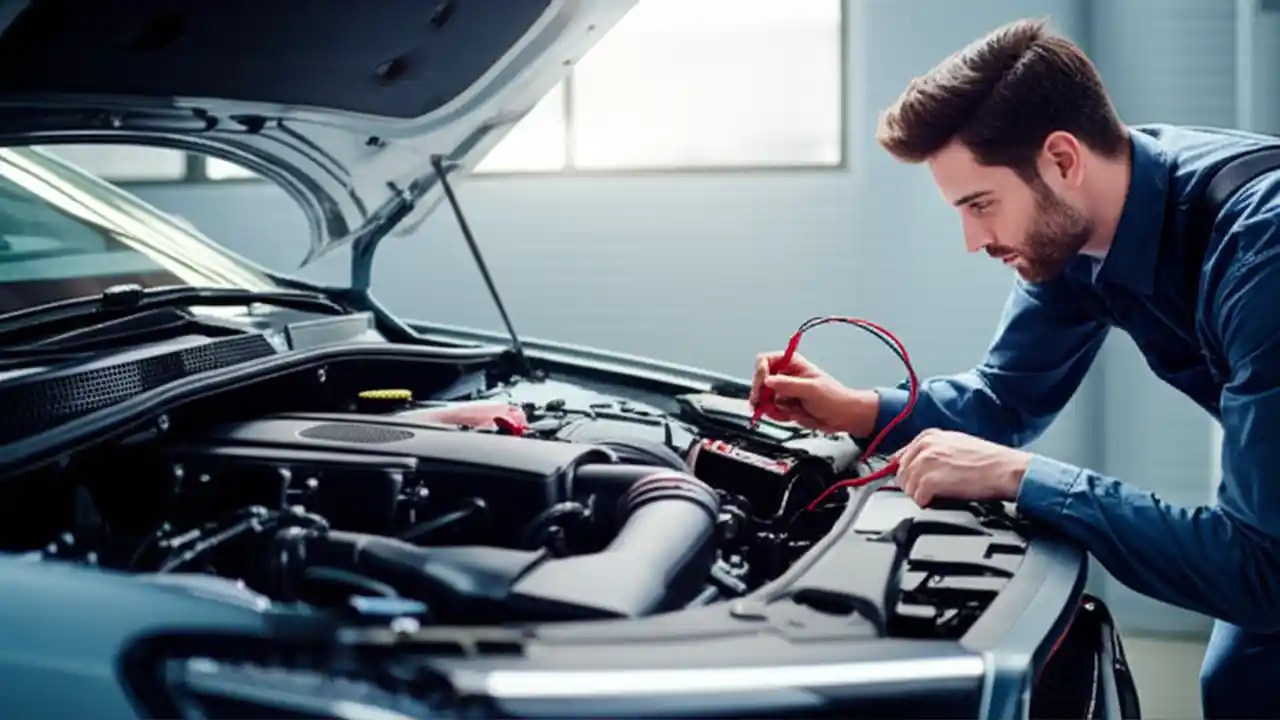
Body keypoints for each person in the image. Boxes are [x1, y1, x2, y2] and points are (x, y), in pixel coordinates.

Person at [748, 16, 1280, 719]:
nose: (974, 240)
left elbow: (1261, 571)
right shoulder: (1083, 228)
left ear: (1062, 159)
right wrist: (856, 410)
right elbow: (1002, 402)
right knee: (1242, 680)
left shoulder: (1260, 255)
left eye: (980, 205)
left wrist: (1022, 476)